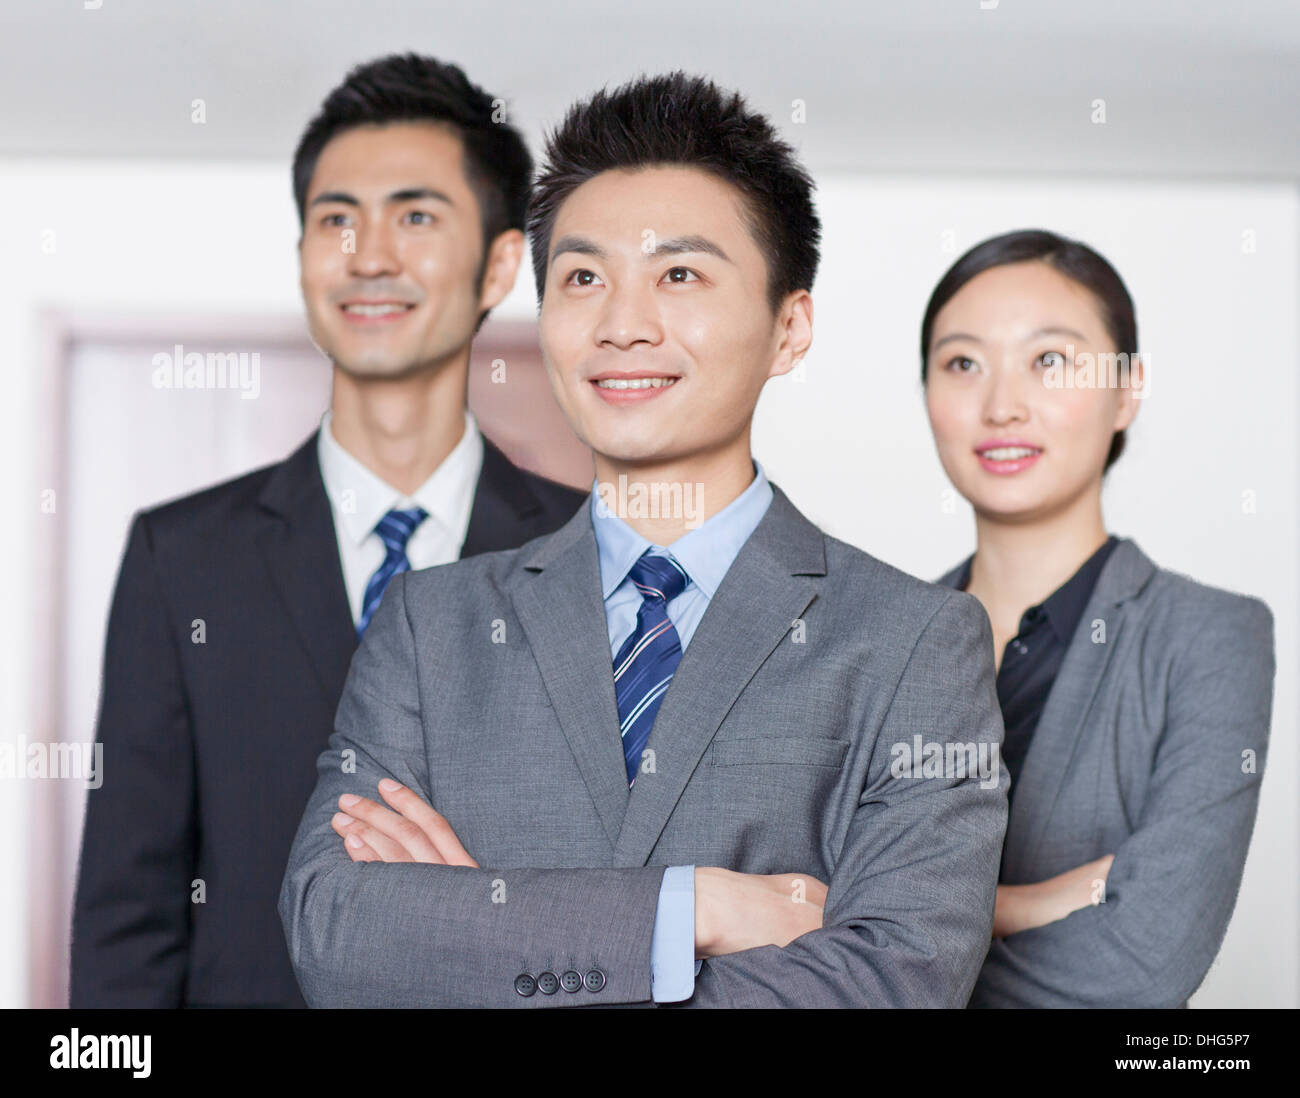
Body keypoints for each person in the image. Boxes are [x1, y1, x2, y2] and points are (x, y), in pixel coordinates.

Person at [279, 71, 1009, 1008]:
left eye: (680, 274)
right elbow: (336, 934)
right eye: (583, 277)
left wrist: (479, 939)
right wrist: (691, 909)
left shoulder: (915, 643)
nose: (624, 325)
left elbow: (891, 984)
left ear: (790, 328)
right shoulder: (432, 625)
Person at [69, 54, 586, 1008]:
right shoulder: (181, 559)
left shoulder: (589, 552)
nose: (369, 254)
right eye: (335, 219)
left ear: (501, 263)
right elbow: (126, 915)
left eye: (416, 216)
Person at [922, 228, 1275, 1007]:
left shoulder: (1212, 637)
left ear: (1126, 390)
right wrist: (1026, 903)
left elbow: (1143, 967)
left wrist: (902, 943)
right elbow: (798, 918)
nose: (1001, 405)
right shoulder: (869, 640)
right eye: (962, 363)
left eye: (1050, 361)